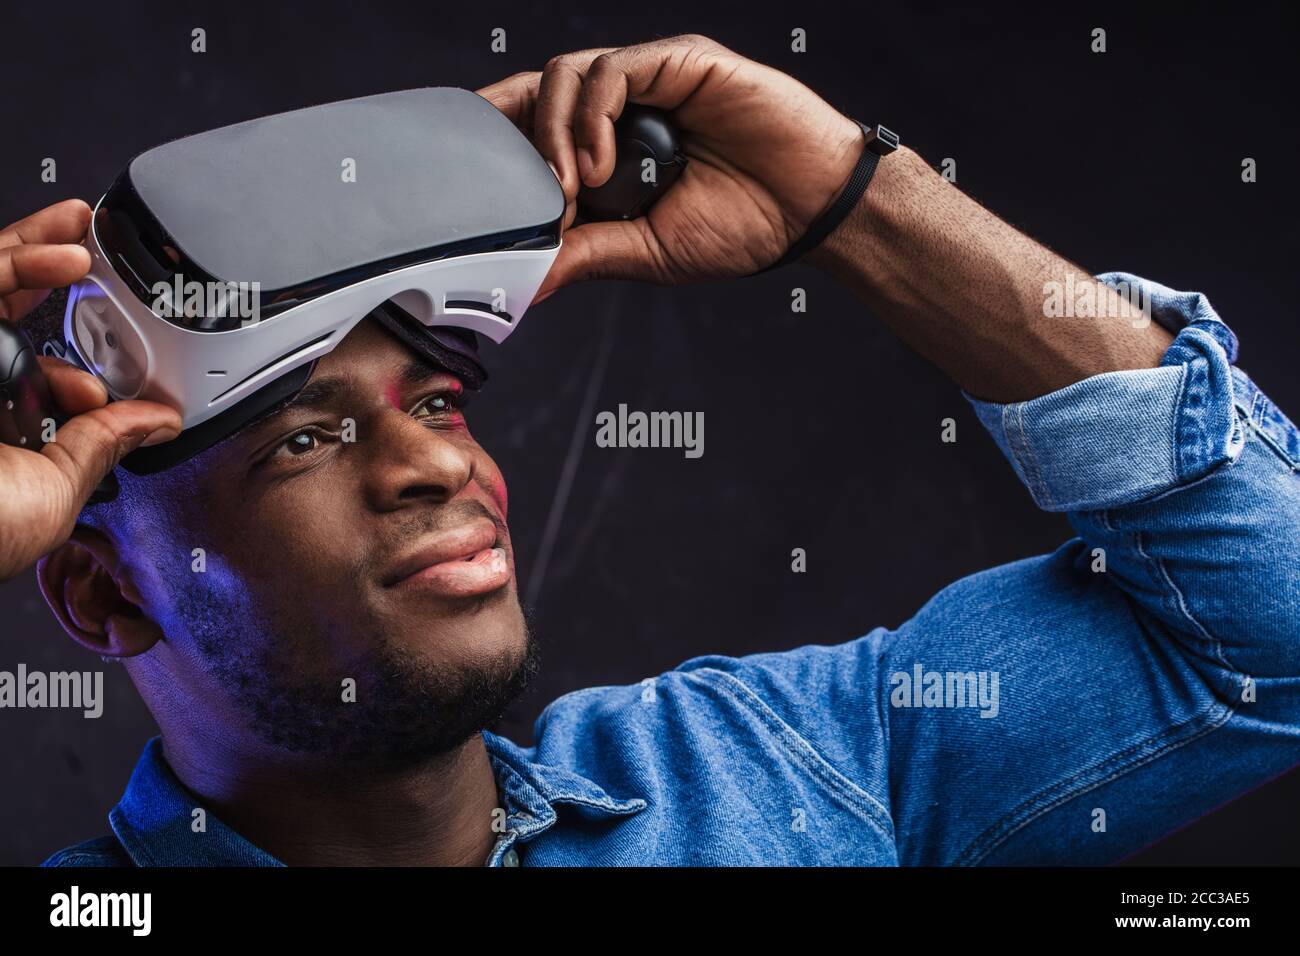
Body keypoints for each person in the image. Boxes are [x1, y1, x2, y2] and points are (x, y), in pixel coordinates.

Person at [4, 34, 1296, 866]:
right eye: (304, 439)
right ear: (108, 590)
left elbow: (1269, 638)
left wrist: (850, 204)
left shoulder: (790, 769)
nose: (439, 466)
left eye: (443, 402)